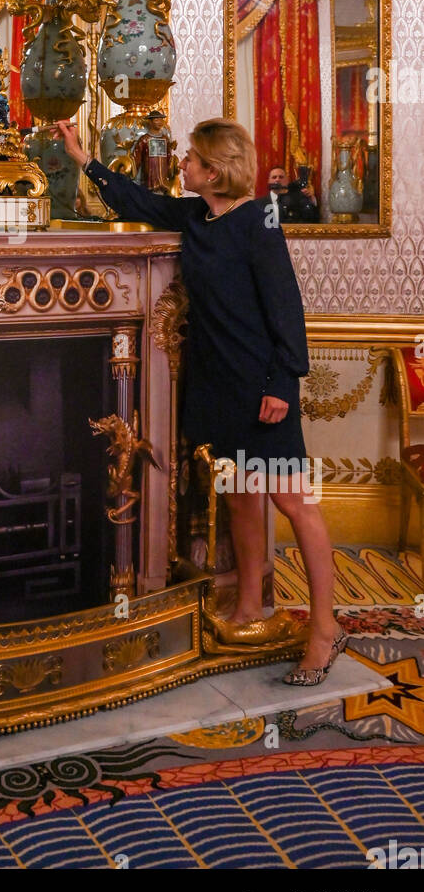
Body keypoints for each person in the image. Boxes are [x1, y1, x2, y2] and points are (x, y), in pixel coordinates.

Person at [53, 115, 345, 684]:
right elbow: (135, 201)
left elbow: (287, 310)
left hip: (264, 390)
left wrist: (282, 387)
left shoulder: (259, 222)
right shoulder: (196, 217)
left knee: (295, 503)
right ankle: (249, 609)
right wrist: (82, 157)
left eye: (190, 158)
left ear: (214, 171)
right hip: (219, 387)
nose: (181, 164)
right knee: (240, 498)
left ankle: (325, 628)